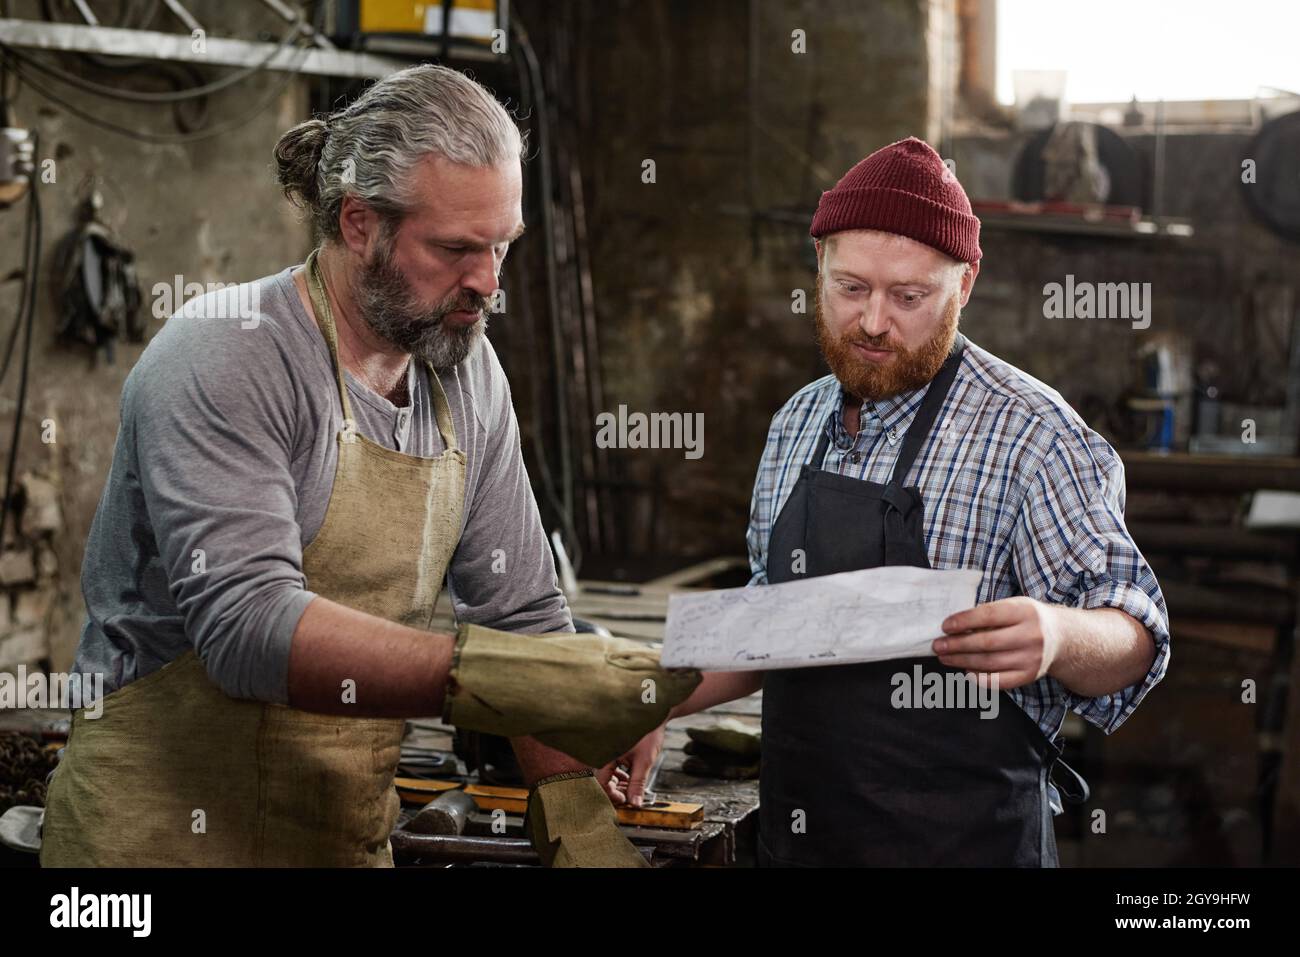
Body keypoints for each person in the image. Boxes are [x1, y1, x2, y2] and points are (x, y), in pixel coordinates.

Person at [40, 64, 697, 869]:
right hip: (154, 843)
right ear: (359, 223)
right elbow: (248, 629)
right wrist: (496, 673)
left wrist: (574, 811)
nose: (489, 284)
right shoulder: (226, 354)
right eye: (455, 248)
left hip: (339, 843)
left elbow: (522, 615)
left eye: (502, 247)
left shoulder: (469, 376)